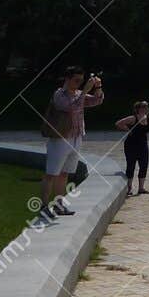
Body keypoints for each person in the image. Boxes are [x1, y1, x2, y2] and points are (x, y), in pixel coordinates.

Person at [41, 65, 103, 222]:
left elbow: (97, 101)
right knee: (51, 173)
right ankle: (44, 205)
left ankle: (59, 204)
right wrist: (84, 91)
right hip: (60, 138)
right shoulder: (59, 94)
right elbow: (72, 108)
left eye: (81, 81)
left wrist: (97, 87)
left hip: (76, 138)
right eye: (76, 80)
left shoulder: (77, 94)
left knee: (64, 173)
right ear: (67, 79)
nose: (79, 84)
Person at [116, 101, 149, 196]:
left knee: (144, 165)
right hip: (131, 145)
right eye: (142, 107)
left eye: (146, 107)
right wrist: (128, 130)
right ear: (138, 108)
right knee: (131, 166)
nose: (144, 109)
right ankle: (129, 188)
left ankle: (141, 188)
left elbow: (147, 130)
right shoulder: (133, 118)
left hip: (143, 145)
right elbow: (118, 123)